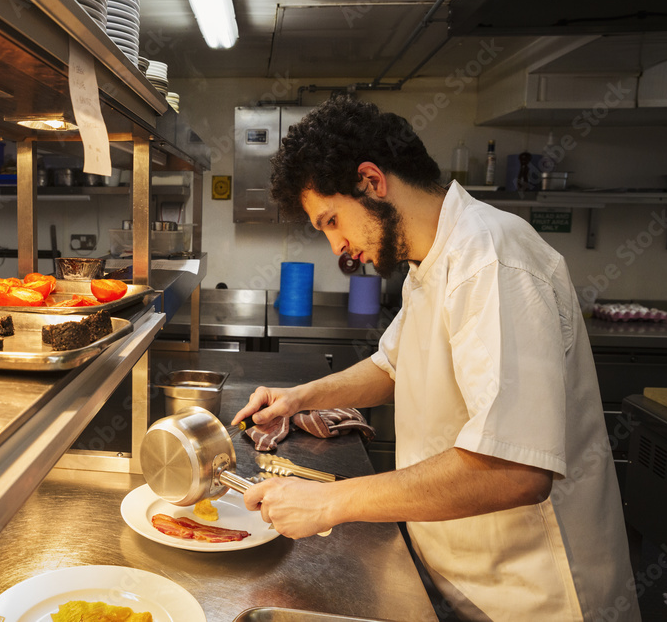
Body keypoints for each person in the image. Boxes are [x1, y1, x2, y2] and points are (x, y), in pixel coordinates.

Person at [233, 96, 639, 621]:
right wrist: (300, 398)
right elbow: (392, 366)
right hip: (466, 579)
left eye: (333, 221)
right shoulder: (429, 259)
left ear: (371, 181)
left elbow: (515, 470)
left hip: (535, 598)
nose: (340, 247)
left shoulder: (491, 259)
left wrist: (327, 503)